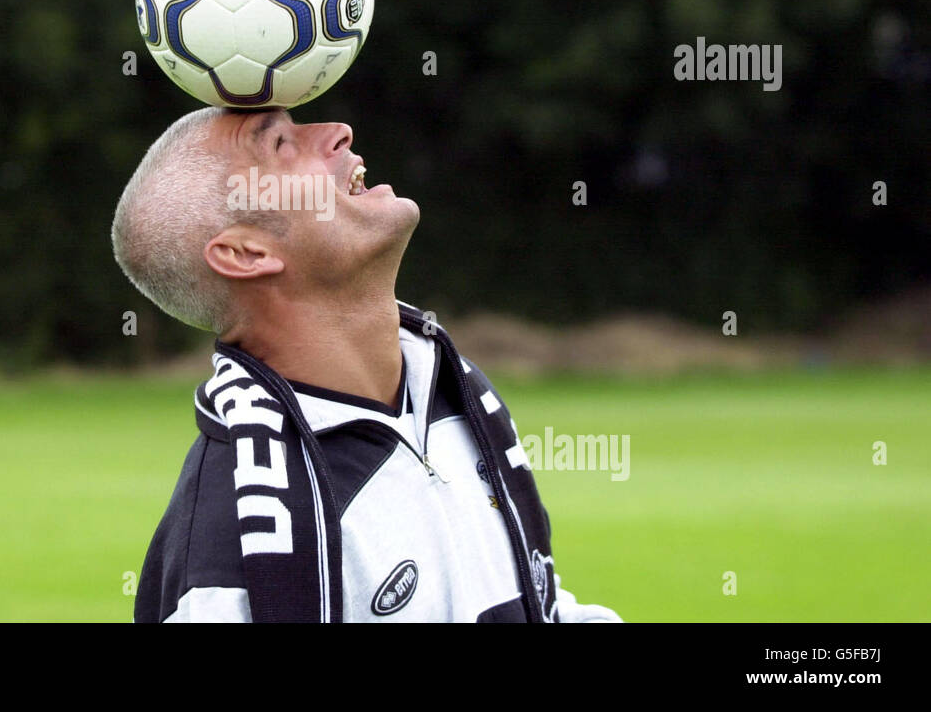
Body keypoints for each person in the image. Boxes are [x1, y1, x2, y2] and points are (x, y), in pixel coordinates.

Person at [112, 106, 622, 623]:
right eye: (280, 145)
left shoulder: (451, 391)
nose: (338, 132)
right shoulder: (229, 546)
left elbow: (541, 607)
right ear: (245, 253)